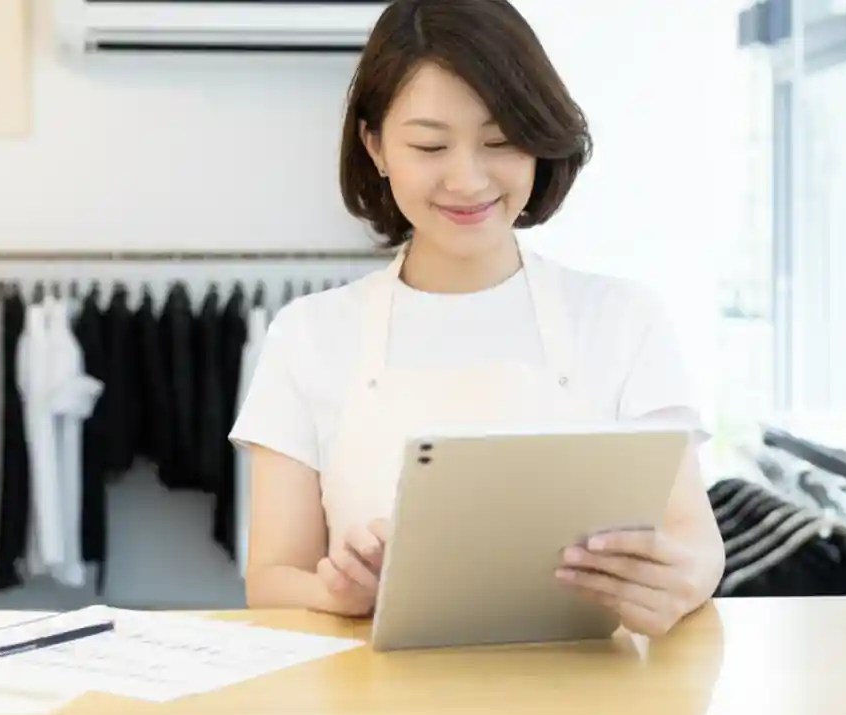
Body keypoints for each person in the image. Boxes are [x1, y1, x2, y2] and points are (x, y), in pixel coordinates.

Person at [229, 0, 725, 638]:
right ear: (375, 146)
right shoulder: (308, 335)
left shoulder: (624, 318)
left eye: (500, 141)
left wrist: (679, 583)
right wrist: (338, 592)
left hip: (589, 693)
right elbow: (271, 578)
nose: (467, 179)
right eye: (430, 144)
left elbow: (698, 542)